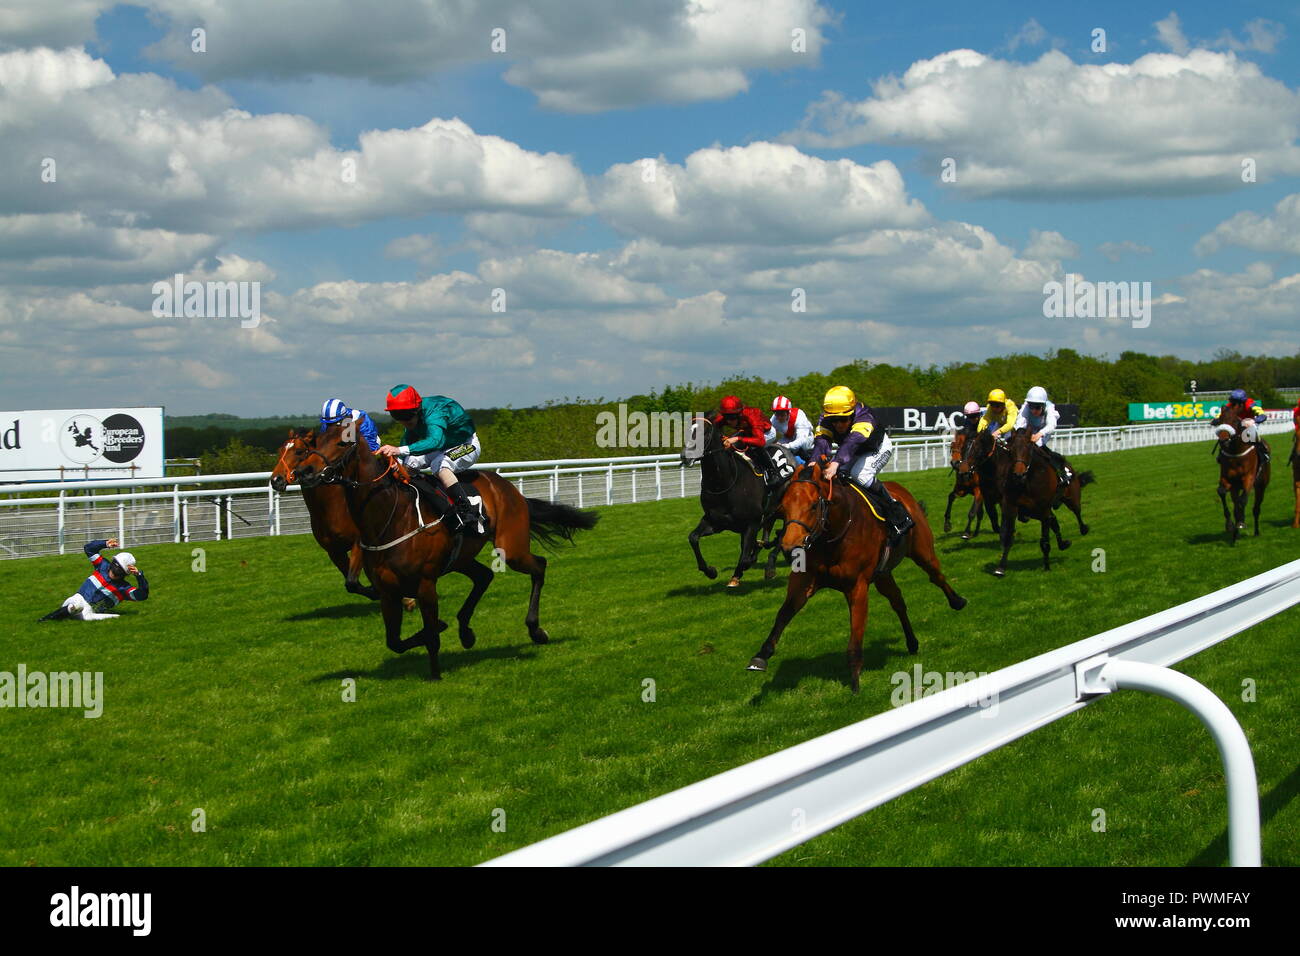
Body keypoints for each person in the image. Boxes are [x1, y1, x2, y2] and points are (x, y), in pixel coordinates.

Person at [811, 385, 913, 544]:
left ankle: (898, 514)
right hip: (853, 451)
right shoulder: (825, 419)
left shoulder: (865, 416)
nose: (838, 424)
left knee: (861, 475)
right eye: (833, 420)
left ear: (852, 414)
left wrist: (836, 462)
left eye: (843, 419)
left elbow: (853, 441)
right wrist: (813, 463)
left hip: (877, 448)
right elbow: (821, 442)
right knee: (839, 479)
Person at [376, 384, 483, 533]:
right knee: (409, 463)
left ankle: (468, 512)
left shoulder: (435, 411)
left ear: (416, 409)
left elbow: (435, 441)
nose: (402, 420)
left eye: (405, 415)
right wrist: (398, 462)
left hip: (466, 444)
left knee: (440, 465)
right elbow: (408, 444)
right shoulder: (413, 416)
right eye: (396, 416)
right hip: (442, 446)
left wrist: (398, 450)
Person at [38, 538, 148, 622]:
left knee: (116, 617)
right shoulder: (102, 565)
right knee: (75, 606)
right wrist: (105, 543)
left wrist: (139, 576)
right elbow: (88, 548)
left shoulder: (124, 588)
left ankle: (58, 619)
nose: (114, 569)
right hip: (77, 600)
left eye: (118, 567)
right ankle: (45, 620)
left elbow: (142, 595)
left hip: (90, 613)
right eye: (115, 565)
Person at [711, 395, 780, 484]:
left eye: (732, 417)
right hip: (747, 432)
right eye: (726, 417)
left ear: (739, 414)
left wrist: (737, 438)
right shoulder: (725, 418)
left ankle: (772, 472)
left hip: (765, 433)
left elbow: (760, 441)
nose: (728, 421)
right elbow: (709, 425)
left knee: (752, 447)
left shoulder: (752, 415)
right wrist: (721, 436)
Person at [1015, 385, 1073, 485]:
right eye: (1031, 407)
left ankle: (1063, 471)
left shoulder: (1049, 408)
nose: (1033, 411)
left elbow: (1051, 425)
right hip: (1030, 429)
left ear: (1043, 405)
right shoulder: (1026, 406)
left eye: (1037, 407)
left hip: (1044, 430)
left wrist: (1039, 434)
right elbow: (1021, 421)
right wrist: (1021, 435)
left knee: (1038, 446)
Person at [1224, 388, 1270, 464]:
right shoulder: (1229, 406)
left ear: (1242, 403)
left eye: (1236, 403)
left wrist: (1256, 420)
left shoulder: (1249, 403)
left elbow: (1261, 414)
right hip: (1236, 425)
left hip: (1248, 423)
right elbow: (1219, 416)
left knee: (1253, 435)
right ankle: (1222, 455)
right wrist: (1216, 420)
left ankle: (1263, 452)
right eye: (1232, 403)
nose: (1233, 406)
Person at [767, 395, 815, 462]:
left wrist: (785, 446)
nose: (779, 417)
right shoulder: (774, 418)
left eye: (782, 414)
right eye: (777, 414)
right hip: (788, 439)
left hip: (806, 442)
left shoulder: (799, 417)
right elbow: (767, 433)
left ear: (788, 412)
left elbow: (801, 440)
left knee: (801, 447)